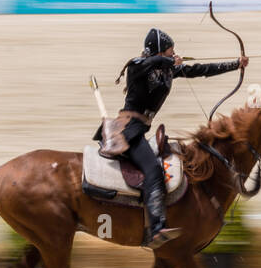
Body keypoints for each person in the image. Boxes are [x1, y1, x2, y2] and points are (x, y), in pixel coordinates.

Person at [98, 27, 247, 248]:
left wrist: (235, 64)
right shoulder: (137, 66)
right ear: (157, 51)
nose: (173, 54)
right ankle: (157, 229)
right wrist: (169, 62)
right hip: (127, 130)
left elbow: (200, 69)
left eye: (173, 51)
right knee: (153, 171)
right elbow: (149, 63)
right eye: (169, 51)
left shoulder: (165, 70)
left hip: (140, 130)